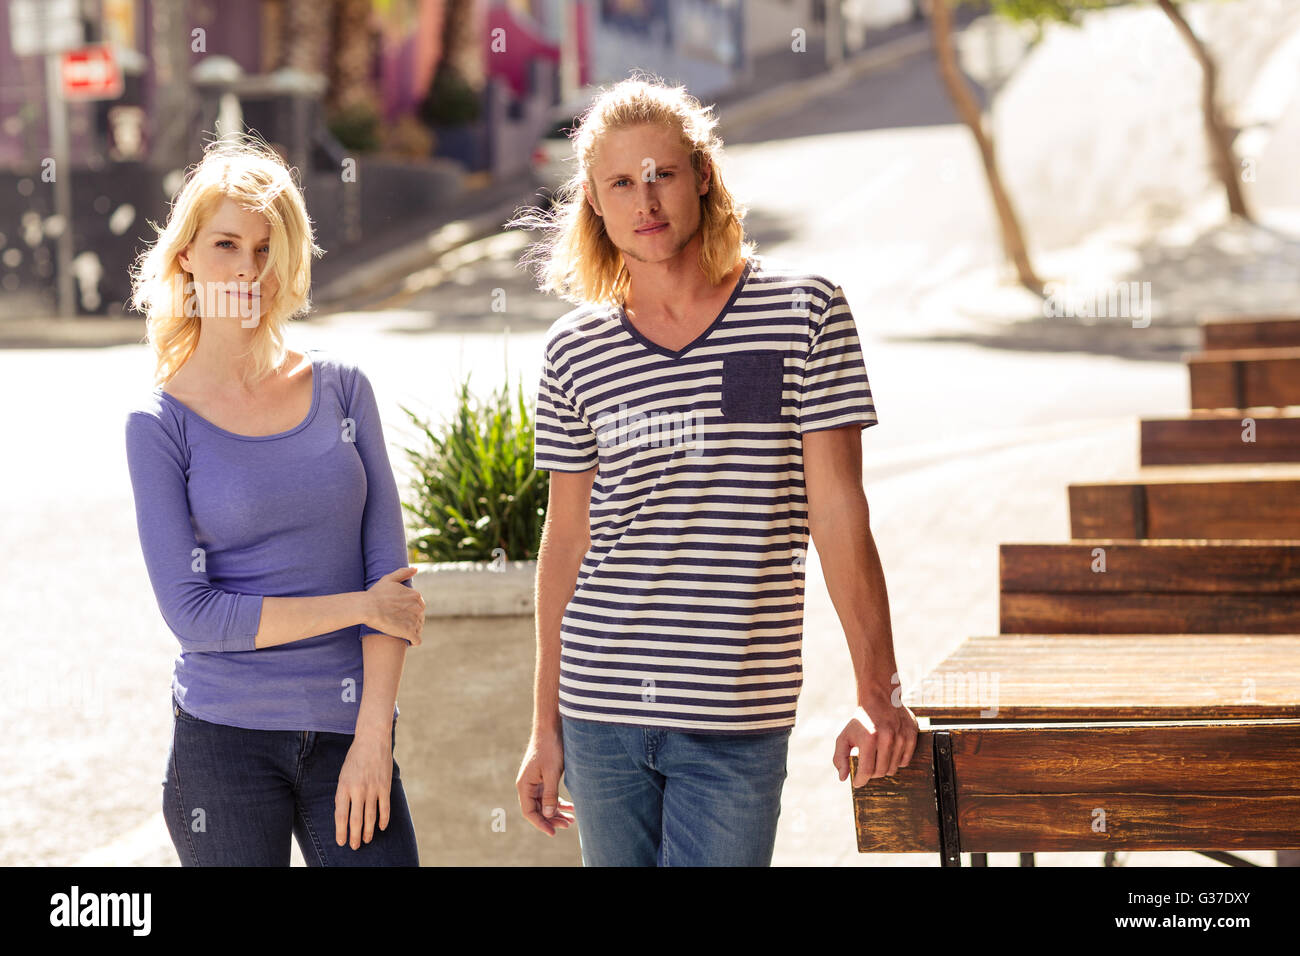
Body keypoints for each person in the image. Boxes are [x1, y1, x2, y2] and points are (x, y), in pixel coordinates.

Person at [511, 76, 918, 866]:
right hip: (601, 712)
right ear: (594, 202)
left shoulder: (804, 312)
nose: (646, 199)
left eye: (662, 173)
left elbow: (838, 514)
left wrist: (879, 692)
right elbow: (565, 543)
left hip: (736, 712)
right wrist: (544, 728)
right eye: (621, 183)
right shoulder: (574, 351)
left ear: (702, 173)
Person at [124, 136, 425, 866]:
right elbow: (193, 617)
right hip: (221, 742)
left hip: (348, 728)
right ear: (186, 255)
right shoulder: (160, 424)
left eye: (267, 249)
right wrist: (356, 608)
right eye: (227, 244)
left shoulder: (343, 388)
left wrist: (372, 740)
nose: (248, 270)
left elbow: (390, 574)